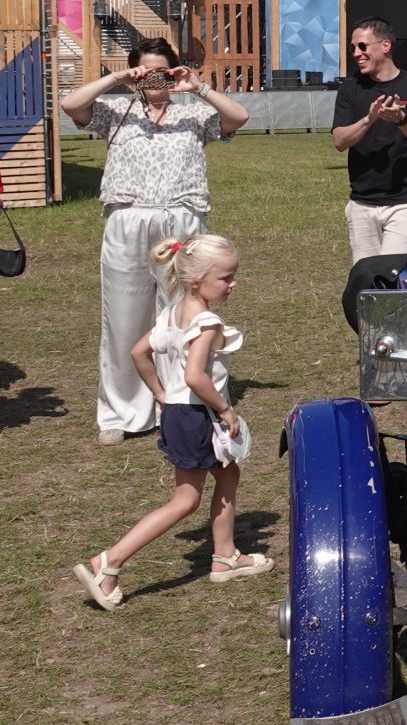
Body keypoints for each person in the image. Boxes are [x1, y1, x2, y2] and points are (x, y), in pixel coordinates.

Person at [60, 38, 249, 444]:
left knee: (183, 315)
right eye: (146, 72)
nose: (155, 79)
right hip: (128, 218)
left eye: (163, 70)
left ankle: (178, 402)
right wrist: (117, 78)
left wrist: (197, 86)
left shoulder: (194, 113)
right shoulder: (115, 112)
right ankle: (121, 411)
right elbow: (70, 105)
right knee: (124, 318)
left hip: (181, 219)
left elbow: (239, 117)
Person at [73, 234, 269, 607]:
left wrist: (162, 395)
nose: (233, 283)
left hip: (178, 413)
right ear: (197, 281)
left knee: (228, 474)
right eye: (226, 277)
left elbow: (138, 352)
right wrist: (226, 409)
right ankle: (109, 563)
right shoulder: (207, 322)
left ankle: (225, 557)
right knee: (185, 500)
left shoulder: (171, 313)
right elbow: (196, 376)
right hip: (198, 414)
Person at [331, 18, 407, 262]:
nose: (356, 53)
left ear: (385, 46)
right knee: (366, 280)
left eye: (362, 46)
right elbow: (339, 141)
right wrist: (368, 119)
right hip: (362, 202)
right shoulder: (350, 88)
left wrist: (401, 119)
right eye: (353, 48)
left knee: (392, 276)